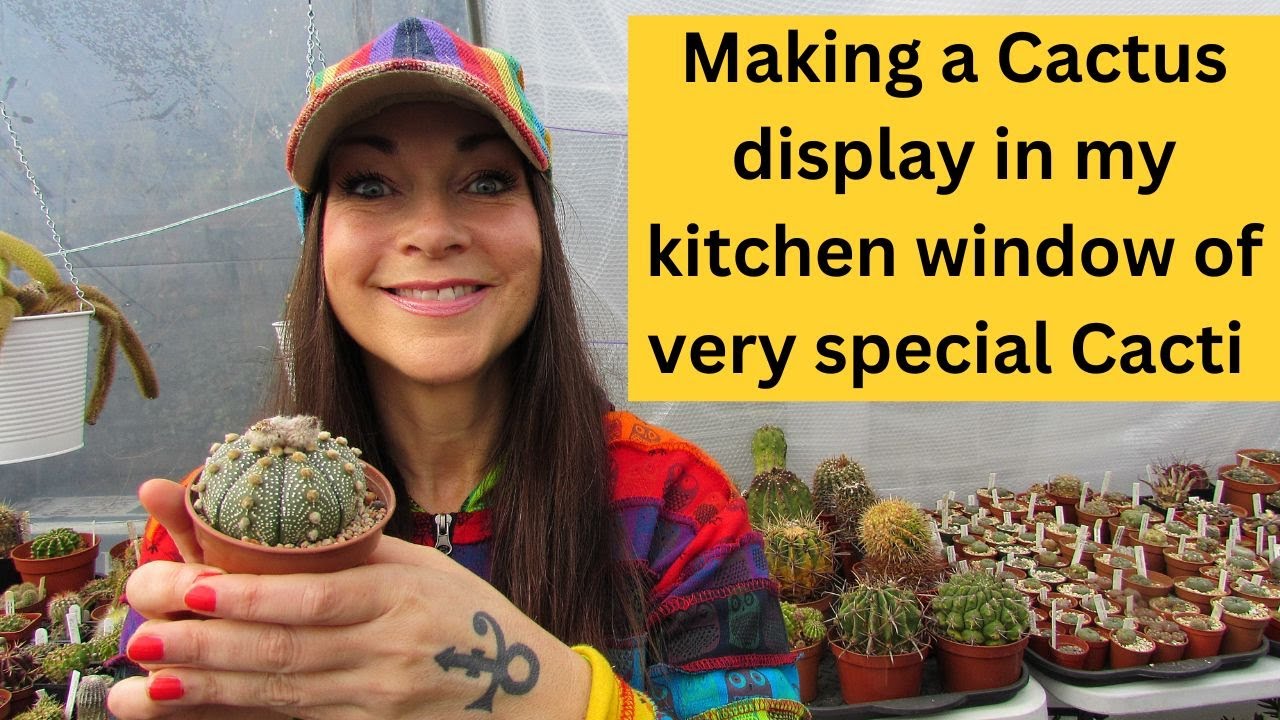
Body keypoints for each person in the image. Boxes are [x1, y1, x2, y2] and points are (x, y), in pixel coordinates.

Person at [108, 17, 807, 720]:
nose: (434, 231)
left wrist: (544, 690)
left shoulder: (675, 506)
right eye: (372, 187)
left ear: (539, 222)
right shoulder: (216, 528)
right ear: (317, 235)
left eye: (485, 180)